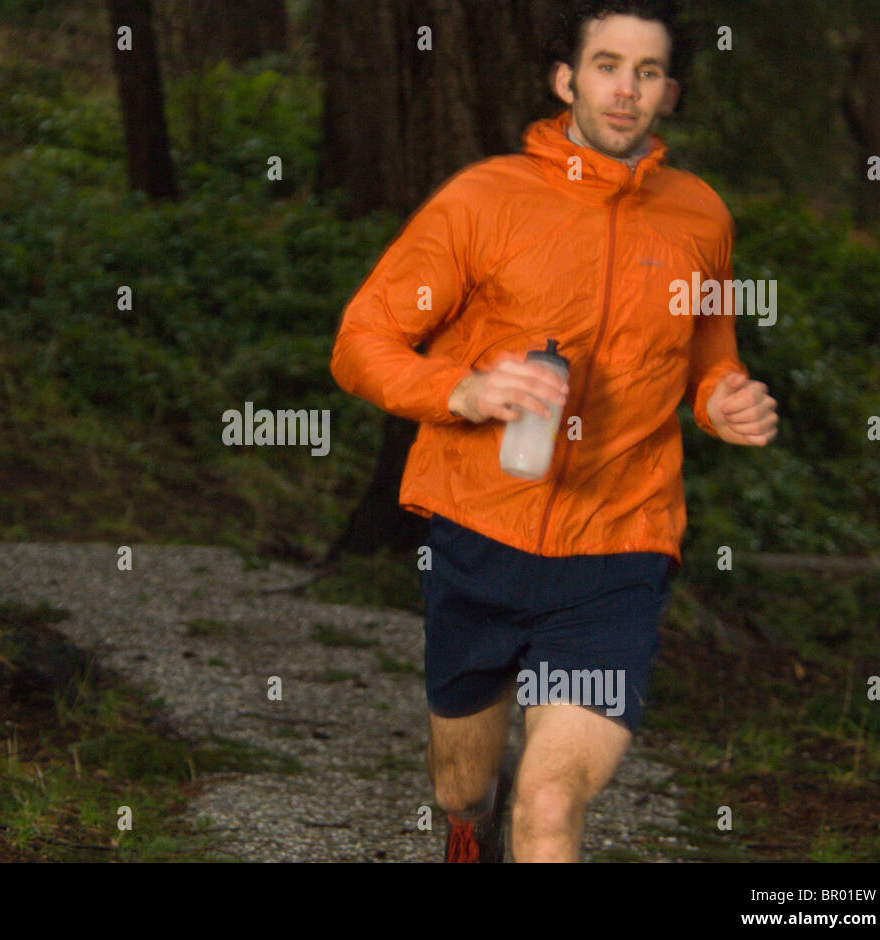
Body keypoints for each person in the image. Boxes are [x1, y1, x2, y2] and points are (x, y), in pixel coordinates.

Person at [329, 0, 779, 862]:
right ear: (565, 79)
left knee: (546, 802)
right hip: (479, 530)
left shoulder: (701, 219)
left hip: (618, 547)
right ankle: (468, 829)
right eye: (607, 65)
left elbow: (709, 352)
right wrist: (462, 390)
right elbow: (360, 343)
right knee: (466, 784)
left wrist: (723, 397)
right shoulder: (484, 202)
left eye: (647, 72)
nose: (626, 89)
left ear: (670, 93)